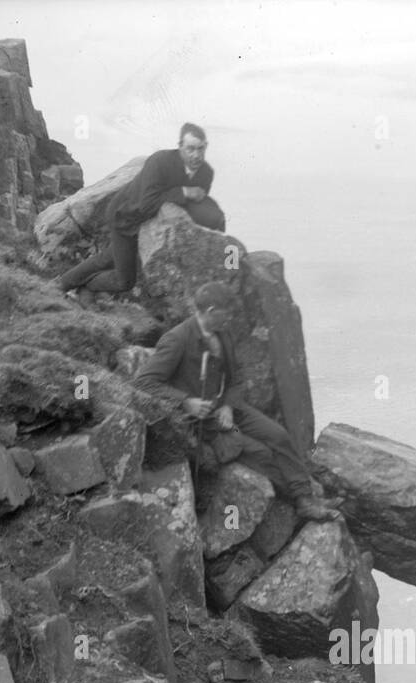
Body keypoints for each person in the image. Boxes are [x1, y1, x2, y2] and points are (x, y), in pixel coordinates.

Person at [133, 280, 341, 522]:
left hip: (227, 409)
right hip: (202, 421)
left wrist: (229, 405)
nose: (229, 319)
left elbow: (237, 378)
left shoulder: (222, 333)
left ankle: (307, 497)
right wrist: (186, 401)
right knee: (259, 452)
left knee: (278, 435)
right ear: (210, 312)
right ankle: (302, 500)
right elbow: (143, 383)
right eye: (226, 314)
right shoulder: (177, 339)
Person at [59, 123, 226, 299]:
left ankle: (72, 287)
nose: (196, 155)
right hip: (125, 216)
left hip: (149, 224)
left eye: (201, 149)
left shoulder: (206, 173)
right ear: (180, 147)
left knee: (109, 258)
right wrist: (184, 192)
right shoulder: (160, 162)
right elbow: (147, 203)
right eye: (190, 149)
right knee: (125, 281)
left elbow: (194, 206)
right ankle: (74, 286)